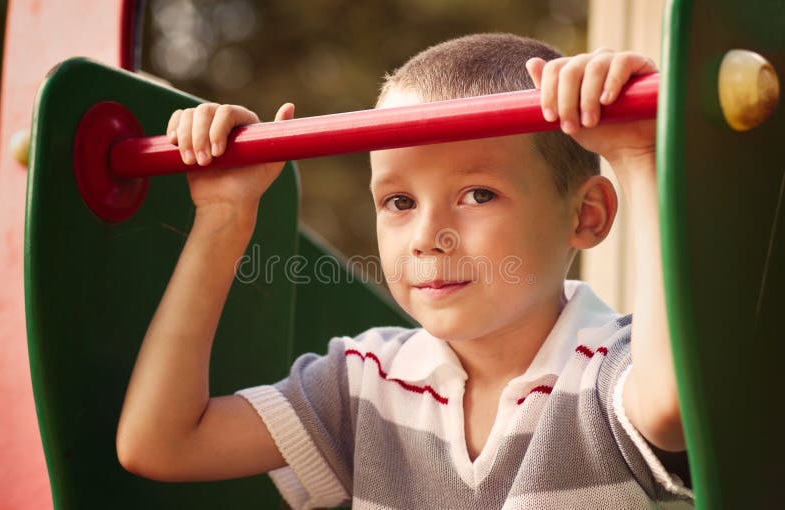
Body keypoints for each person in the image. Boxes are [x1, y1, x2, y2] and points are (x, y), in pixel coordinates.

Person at [116, 33, 695, 509]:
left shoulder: (614, 370)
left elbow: (672, 407)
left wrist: (639, 158)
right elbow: (161, 444)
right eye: (399, 202)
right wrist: (224, 217)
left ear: (586, 215)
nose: (426, 237)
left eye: (478, 194)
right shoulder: (367, 383)